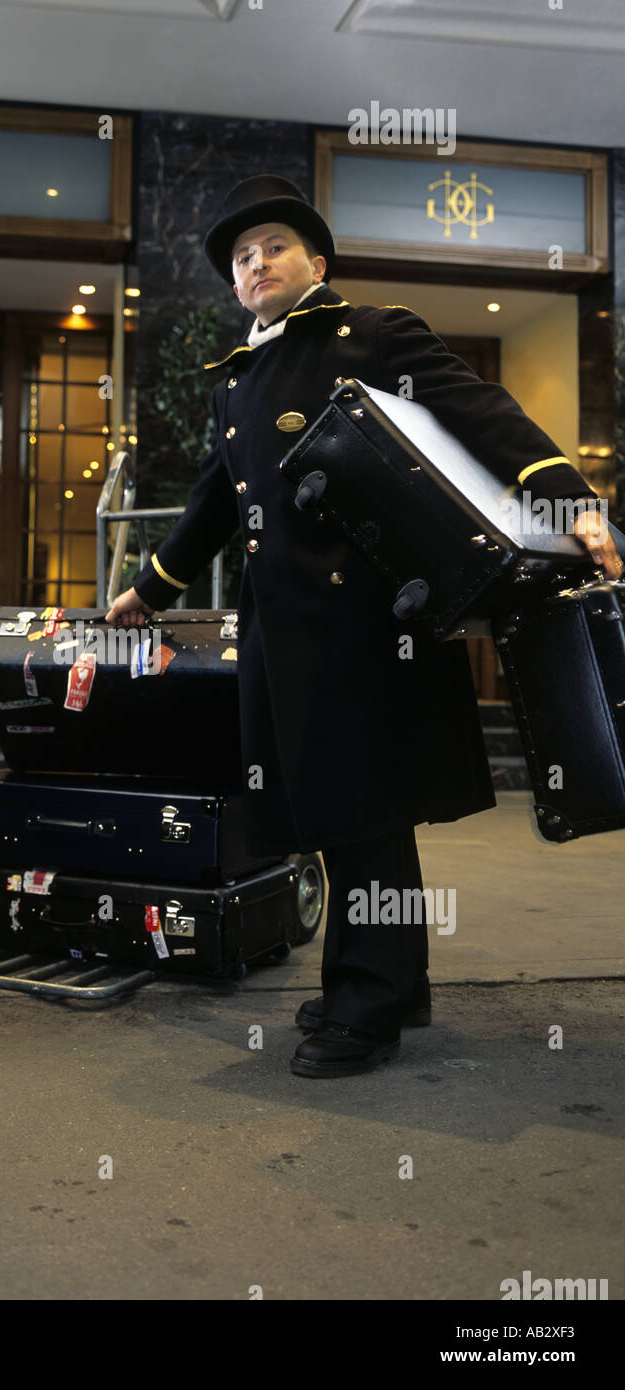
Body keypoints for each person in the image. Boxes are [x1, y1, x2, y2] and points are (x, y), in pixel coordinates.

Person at [104, 174, 622, 1079]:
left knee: (364, 813)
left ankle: (367, 1005)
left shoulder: (371, 334)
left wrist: (569, 501)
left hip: (366, 625)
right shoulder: (236, 379)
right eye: (240, 258)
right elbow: (215, 503)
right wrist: (149, 587)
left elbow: (480, 412)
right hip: (281, 631)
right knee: (338, 816)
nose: (255, 264)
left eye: (272, 247)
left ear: (316, 261)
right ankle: (390, 981)